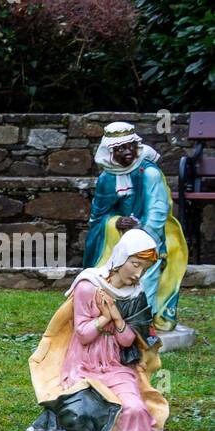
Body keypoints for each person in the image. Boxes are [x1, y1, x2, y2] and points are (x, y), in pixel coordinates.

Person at [30, 229, 169, 431]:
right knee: (87, 411)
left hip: (115, 365)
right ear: (122, 256)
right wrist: (104, 319)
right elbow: (84, 334)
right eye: (135, 264)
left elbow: (127, 341)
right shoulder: (89, 285)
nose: (138, 274)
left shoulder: (135, 294)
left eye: (145, 269)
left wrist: (118, 319)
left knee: (134, 409)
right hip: (84, 365)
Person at [84, 121, 187, 333]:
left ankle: (141, 320)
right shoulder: (107, 178)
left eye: (130, 146)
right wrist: (115, 223)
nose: (127, 152)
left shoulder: (149, 173)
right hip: (117, 237)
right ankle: (108, 315)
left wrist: (142, 239)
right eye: (121, 148)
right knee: (109, 271)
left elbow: (157, 211)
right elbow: (98, 216)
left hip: (151, 235)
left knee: (144, 267)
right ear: (111, 150)